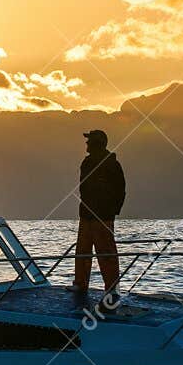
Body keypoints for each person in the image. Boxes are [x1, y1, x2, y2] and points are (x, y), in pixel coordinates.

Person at [74, 129, 126, 302]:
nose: (86, 144)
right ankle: (80, 284)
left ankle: (111, 289)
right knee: (82, 251)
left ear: (97, 143)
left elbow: (120, 190)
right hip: (86, 214)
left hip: (103, 216)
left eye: (89, 141)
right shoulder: (87, 162)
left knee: (106, 252)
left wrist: (112, 211)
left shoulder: (112, 164)